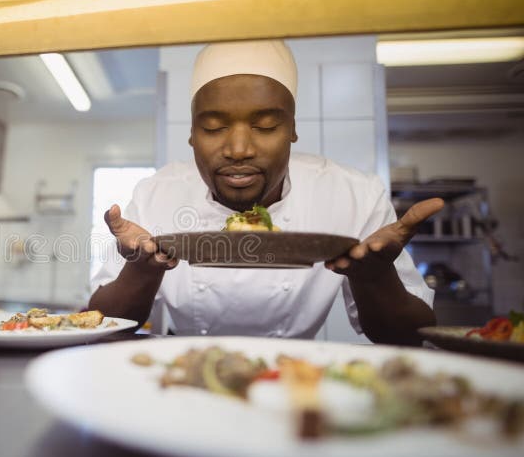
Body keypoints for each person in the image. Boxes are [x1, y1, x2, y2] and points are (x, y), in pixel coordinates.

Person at [87, 39, 443, 346]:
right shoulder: (157, 193)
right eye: (213, 127)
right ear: (193, 134)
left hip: (295, 383)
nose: (239, 149)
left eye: (266, 126)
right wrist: (141, 272)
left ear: (292, 129)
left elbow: (410, 336)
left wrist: (376, 278)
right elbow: (100, 324)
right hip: (187, 377)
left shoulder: (354, 195)